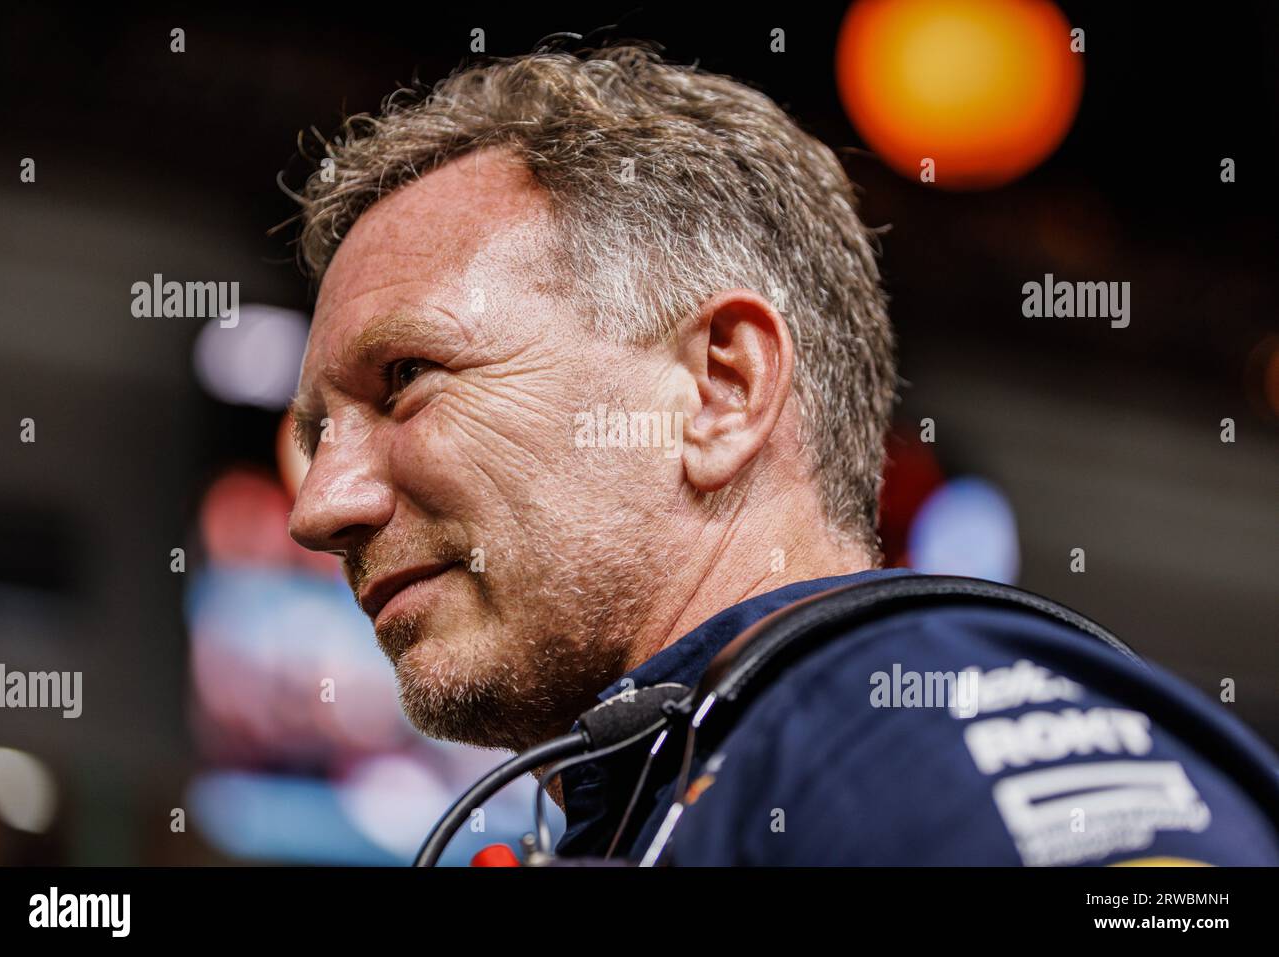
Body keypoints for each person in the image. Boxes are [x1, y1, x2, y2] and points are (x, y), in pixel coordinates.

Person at [285, 42, 1279, 865]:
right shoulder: (700, 782)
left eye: (406, 375)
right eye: (314, 434)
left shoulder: (907, 738)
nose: (319, 505)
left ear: (719, 390)